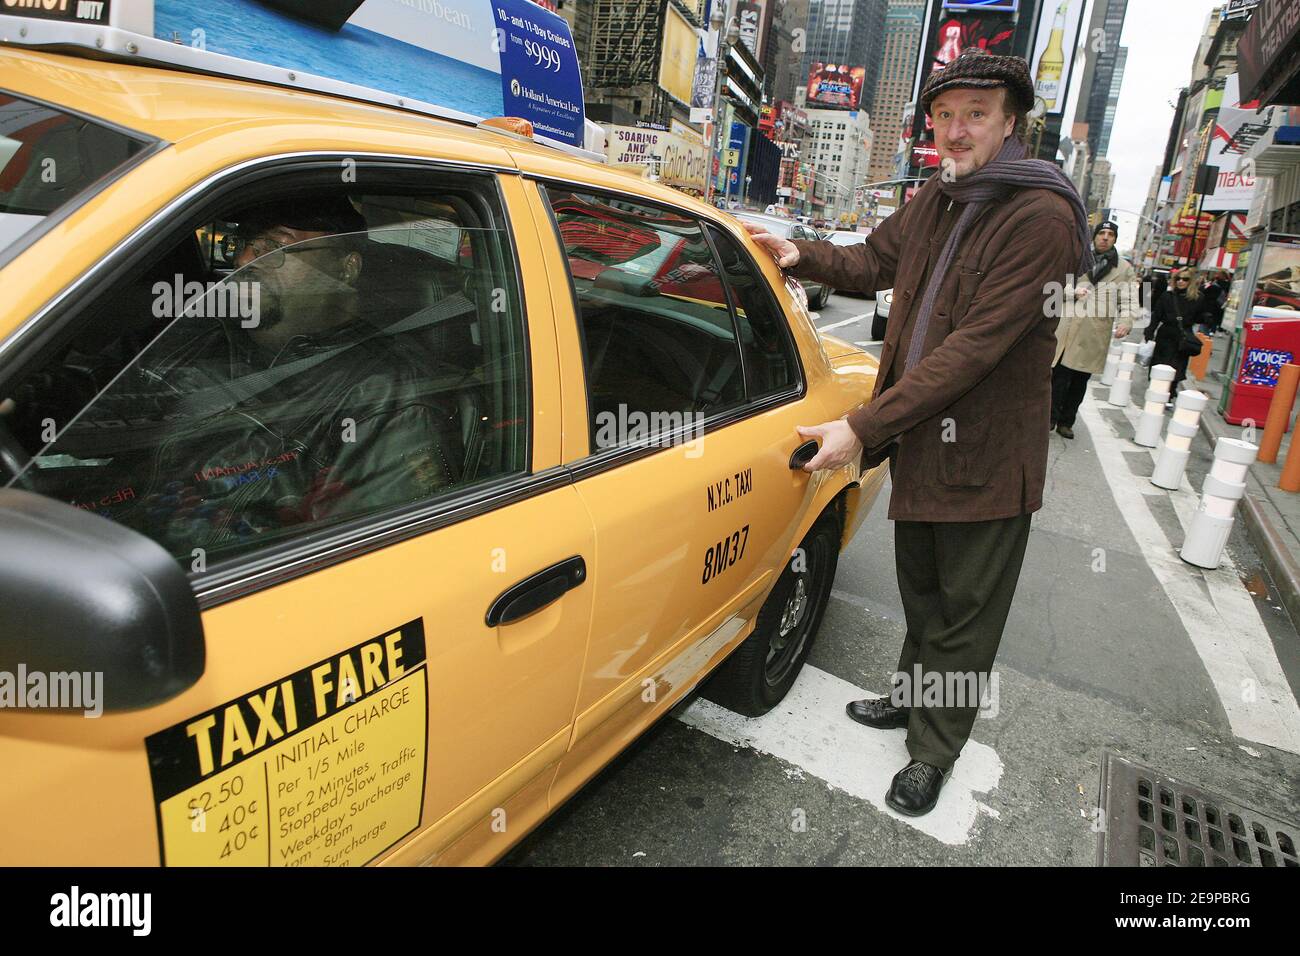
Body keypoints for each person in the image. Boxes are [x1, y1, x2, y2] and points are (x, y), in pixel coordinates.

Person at [744, 48, 1089, 817]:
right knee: (925, 593)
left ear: (1009, 122)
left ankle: (934, 750)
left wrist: (862, 427)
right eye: (944, 116)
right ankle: (908, 699)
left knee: (967, 617)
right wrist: (801, 251)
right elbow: (872, 259)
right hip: (925, 445)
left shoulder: (1041, 216)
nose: (956, 131)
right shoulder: (941, 195)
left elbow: (973, 349)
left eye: (975, 115)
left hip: (987, 459)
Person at [1050, 219, 1139, 439]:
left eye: (1110, 234)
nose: (1105, 237)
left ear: (1115, 239)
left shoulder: (1125, 269)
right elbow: (1055, 283)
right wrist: (1072, 292)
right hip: (1068, 326)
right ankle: (1049, 418)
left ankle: (1066, 421)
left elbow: (1129, 299)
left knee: (1080, 380)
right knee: (1058, 377)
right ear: (1095, 236)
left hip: (1094, 332)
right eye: (1102, 233)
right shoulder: (1077, 256)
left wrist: (1126, 321)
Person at [1146, 266, 1211, 399]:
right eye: (1178, 279)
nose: (1181, 282)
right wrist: (1150, 331)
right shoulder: (1167, 296)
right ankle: (1157, 389)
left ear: (1190, 281)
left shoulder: (1197, 298)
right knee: (1160, 364)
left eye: (1185, 279)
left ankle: (1170, 393)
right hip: (1165, 335)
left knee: (1177, 366)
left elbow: (1199, 316)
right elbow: (1157, 315)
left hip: (1182, 336)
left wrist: (1206, 317)